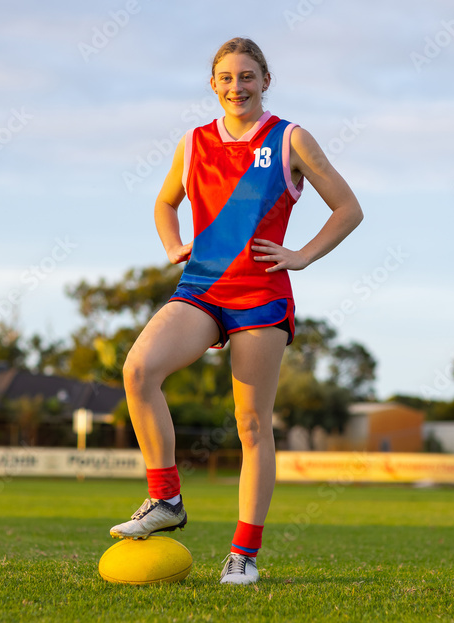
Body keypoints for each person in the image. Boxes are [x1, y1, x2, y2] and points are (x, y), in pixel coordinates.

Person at [109, 37, 363, 585]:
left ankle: (243, 555)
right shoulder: (194, 142)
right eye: (226, 78)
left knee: (251, 424)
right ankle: (166, 498)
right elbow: (164, 200)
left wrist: (301, 256)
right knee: (138, 370)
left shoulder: (290, 138)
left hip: (261, 295)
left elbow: (349, 208)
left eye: (247, 76)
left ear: (265, 81)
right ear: (212, 85)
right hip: (200, 287)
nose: (236, 87)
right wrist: (172, 242)